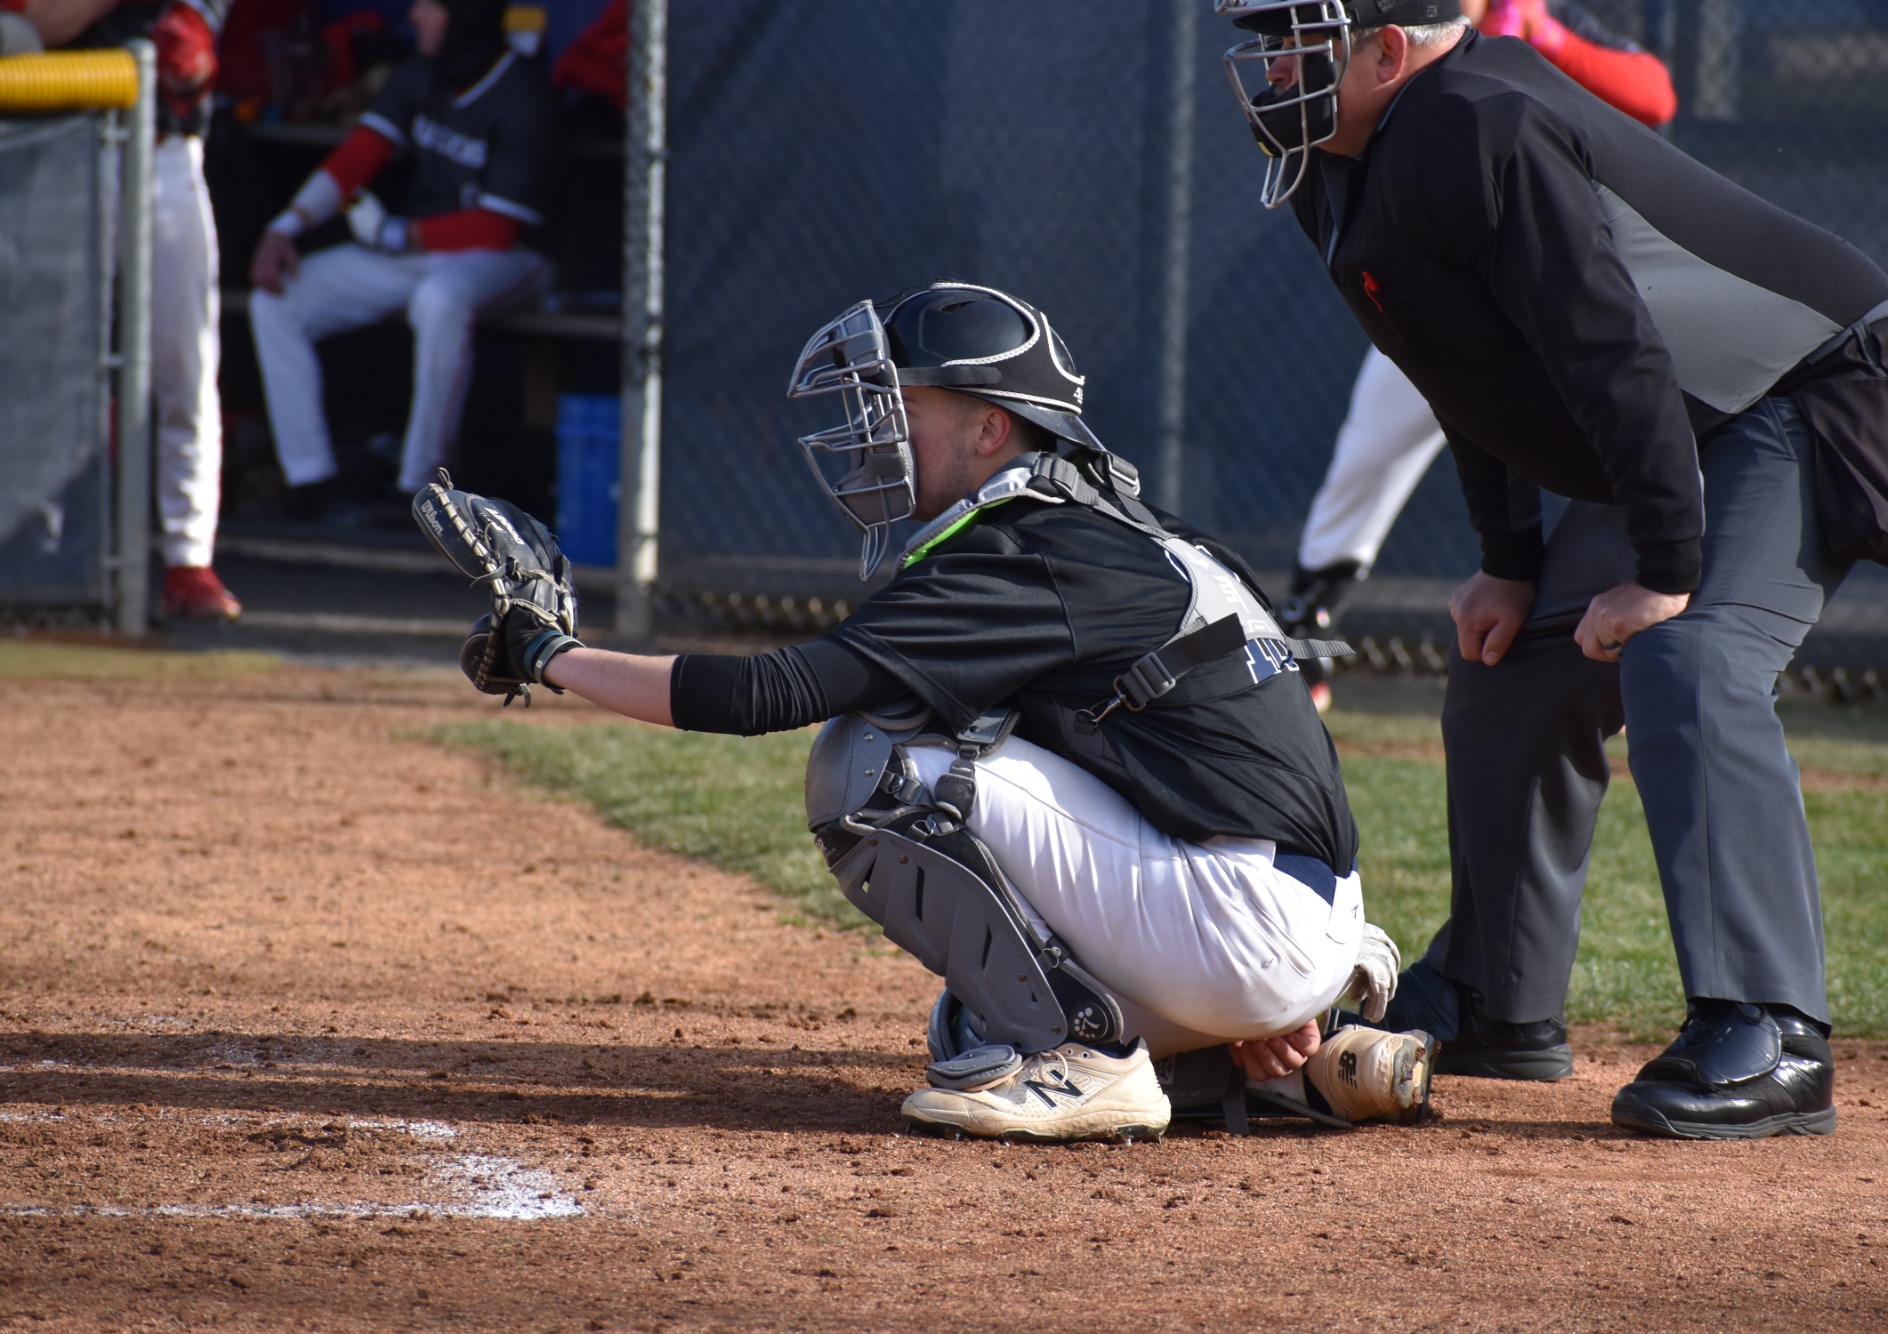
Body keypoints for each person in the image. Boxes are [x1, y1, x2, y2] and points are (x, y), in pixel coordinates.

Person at [1217, 1, 1888, 1138]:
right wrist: (1508, 561)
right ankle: (1492, 993)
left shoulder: (1476, 123)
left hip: (1812, 392)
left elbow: (1606, 343)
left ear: (1387, 50)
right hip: (1694, 419)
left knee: (1692, 651)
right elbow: (1461, 363)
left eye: (1300, 39)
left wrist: (1667, 564)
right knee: (1507, 658)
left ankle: (1771, 1028)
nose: (1272, 66)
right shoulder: (1341, 161)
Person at [452, 281, 1442, 1142]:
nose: (875, 428)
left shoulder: (1024, 548)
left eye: (904, 404)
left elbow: (770, 693)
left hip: (1247, 918)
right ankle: (1280, 1056)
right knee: (964, 1026)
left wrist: (552, 653)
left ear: (989, 428)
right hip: (1295, 908)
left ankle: (1088, 1058)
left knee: (870, 765)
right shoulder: (1115, 524)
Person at [1279, 0, 1676, 701]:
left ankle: (1670, 577)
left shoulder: (1537, 16)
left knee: (1628, 401)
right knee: (1369, 450)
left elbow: (1655, 93)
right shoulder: (1378, 26)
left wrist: (1540, 35)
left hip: (1557, 281)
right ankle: (1309, 621)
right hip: (1447, 290)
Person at [247, 0, 553, 518]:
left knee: (440, 301)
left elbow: (498, 227)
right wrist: (285, 226)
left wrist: (395, 234)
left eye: (431, 8)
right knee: (278, 297)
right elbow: (359, 154)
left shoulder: (524, 94)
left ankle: (418, 492)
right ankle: (310, 480)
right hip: (422, 249)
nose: (413, 17)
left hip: (514, 260)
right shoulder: (421, 74)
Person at [13, 0, 243, 618]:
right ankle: (41, 546)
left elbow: (187, 54)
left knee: (184, 360)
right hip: (65, 148)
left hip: (167, 156)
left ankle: (188, 558)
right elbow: (28, 26)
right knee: (48, 356)